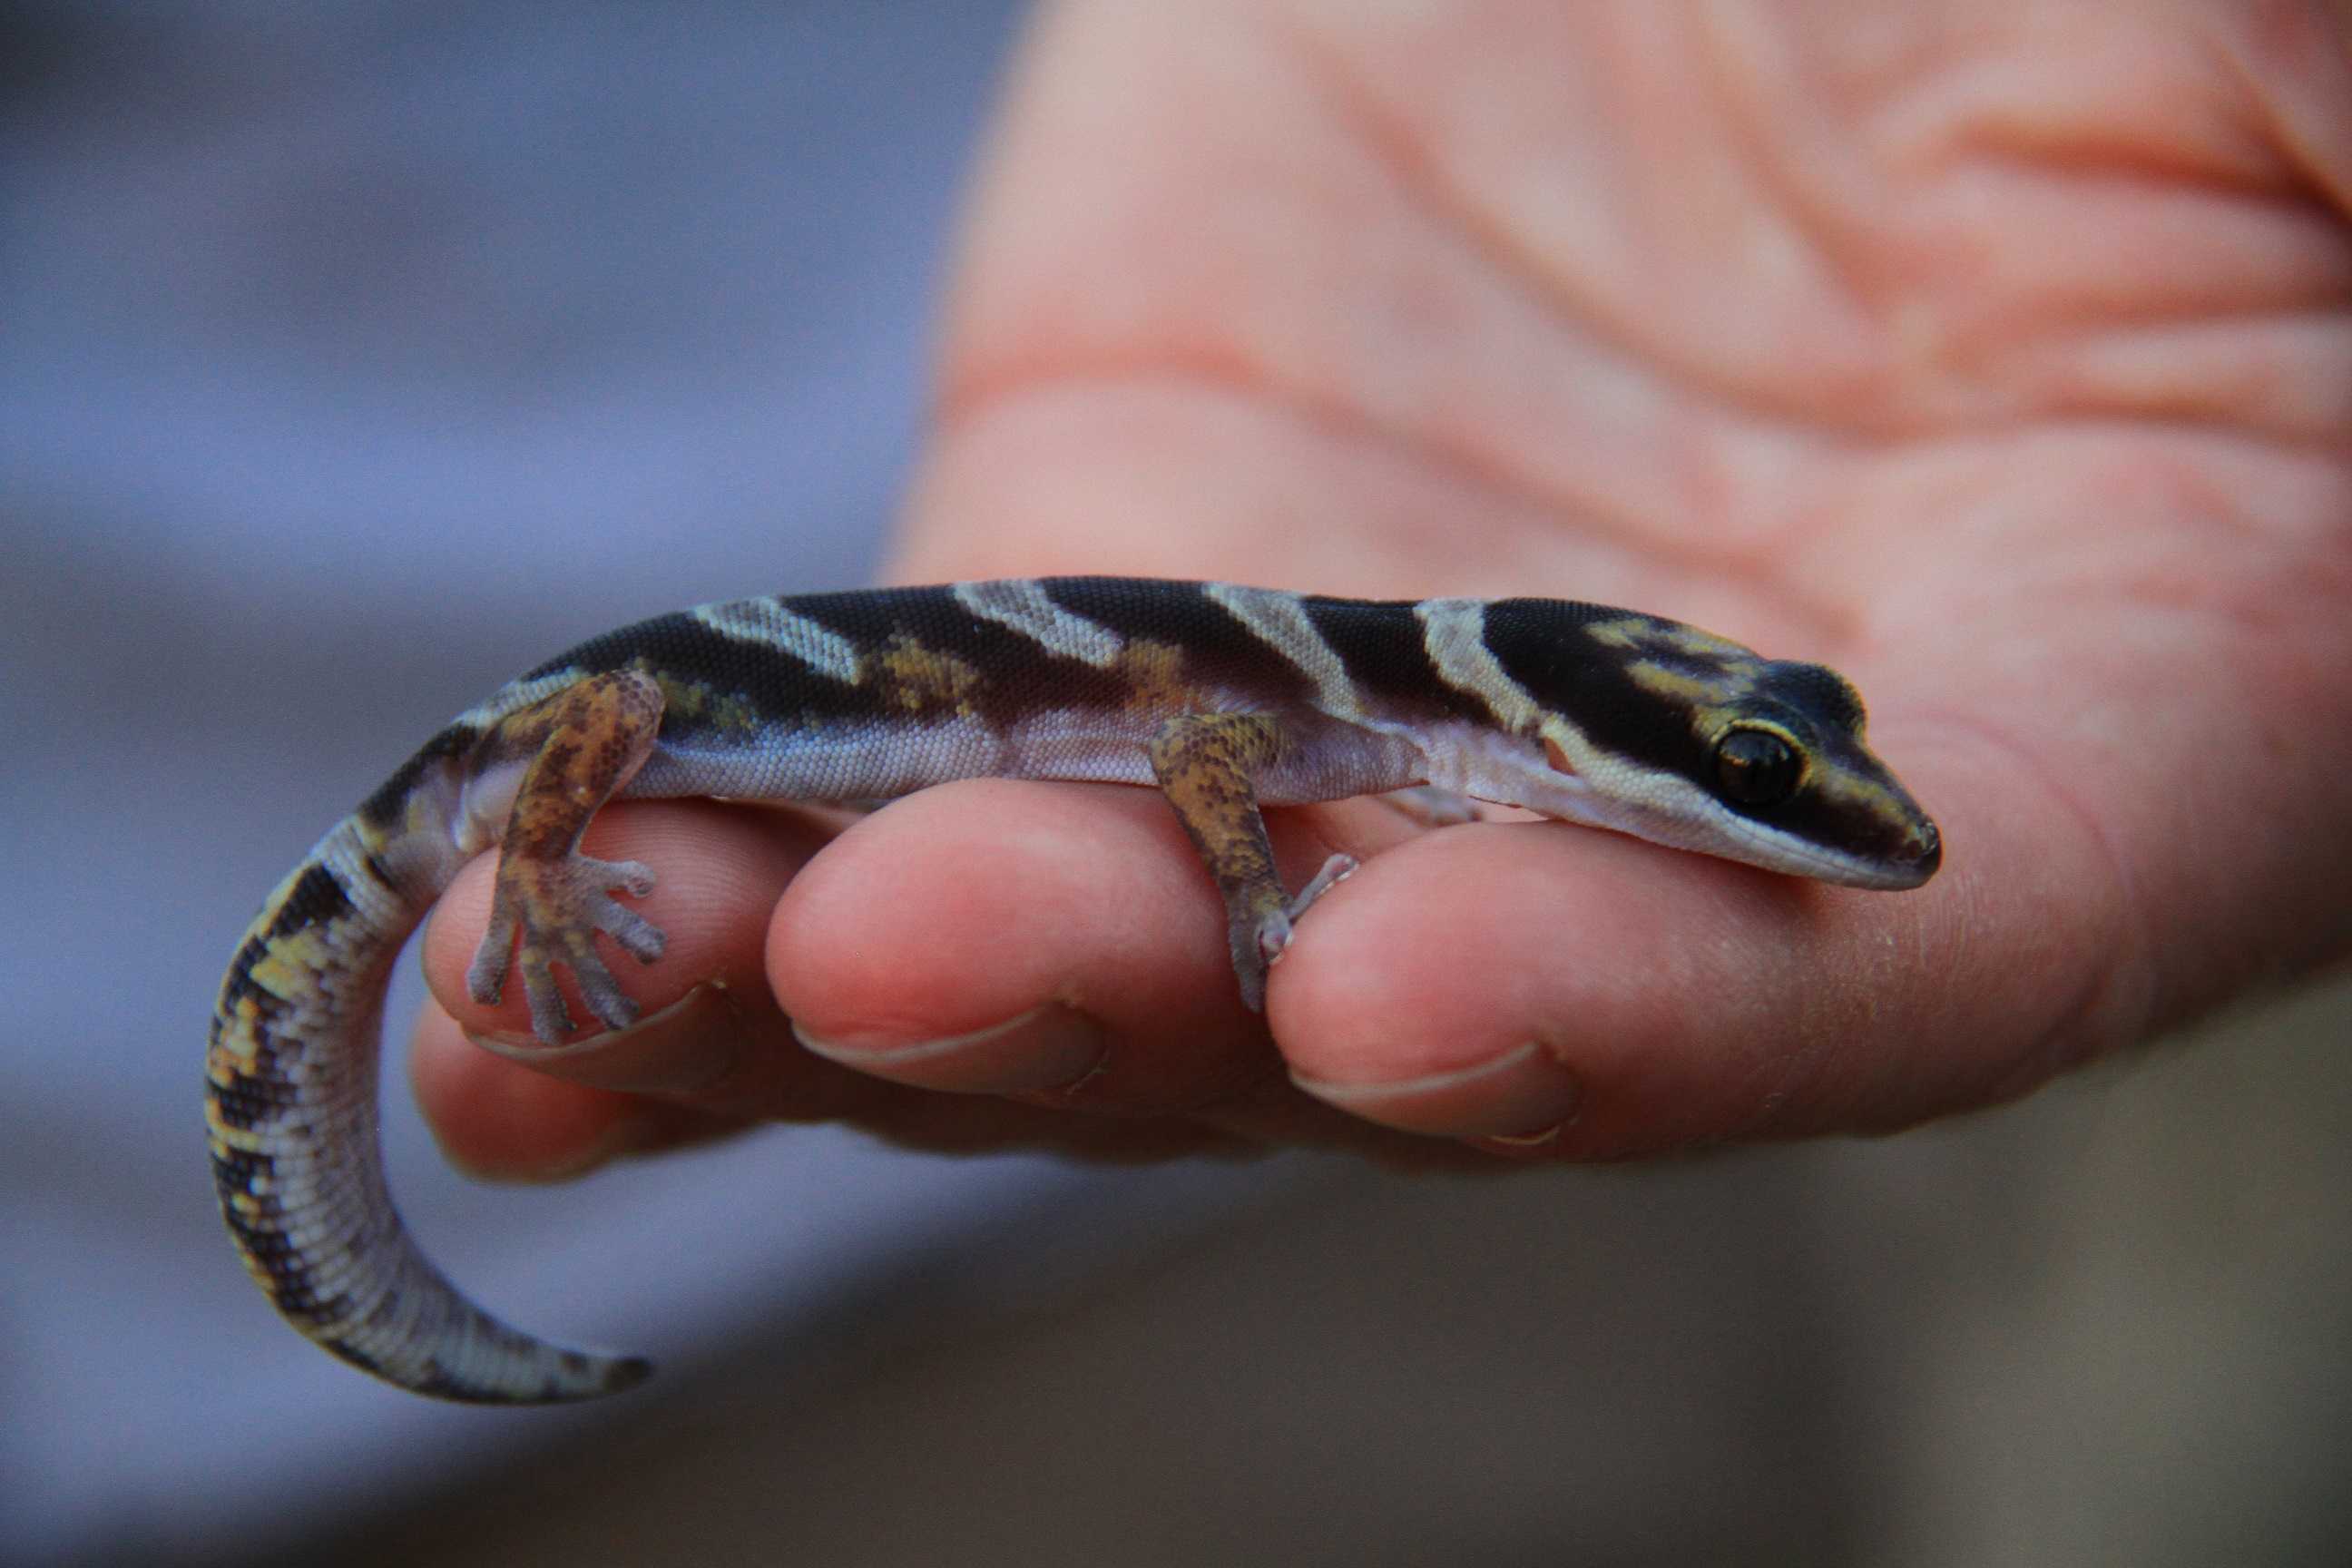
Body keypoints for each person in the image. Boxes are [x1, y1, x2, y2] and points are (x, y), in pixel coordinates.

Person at [407, 2, 2352, 1180]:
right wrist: (1257, 895)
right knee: (651, 779)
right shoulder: (1310, 716)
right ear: (1554, 739)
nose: (1830, 804)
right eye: (1756, 769)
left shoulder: (1384, 724)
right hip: (616, 722)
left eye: (1782, 747)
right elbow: (1200, 753)